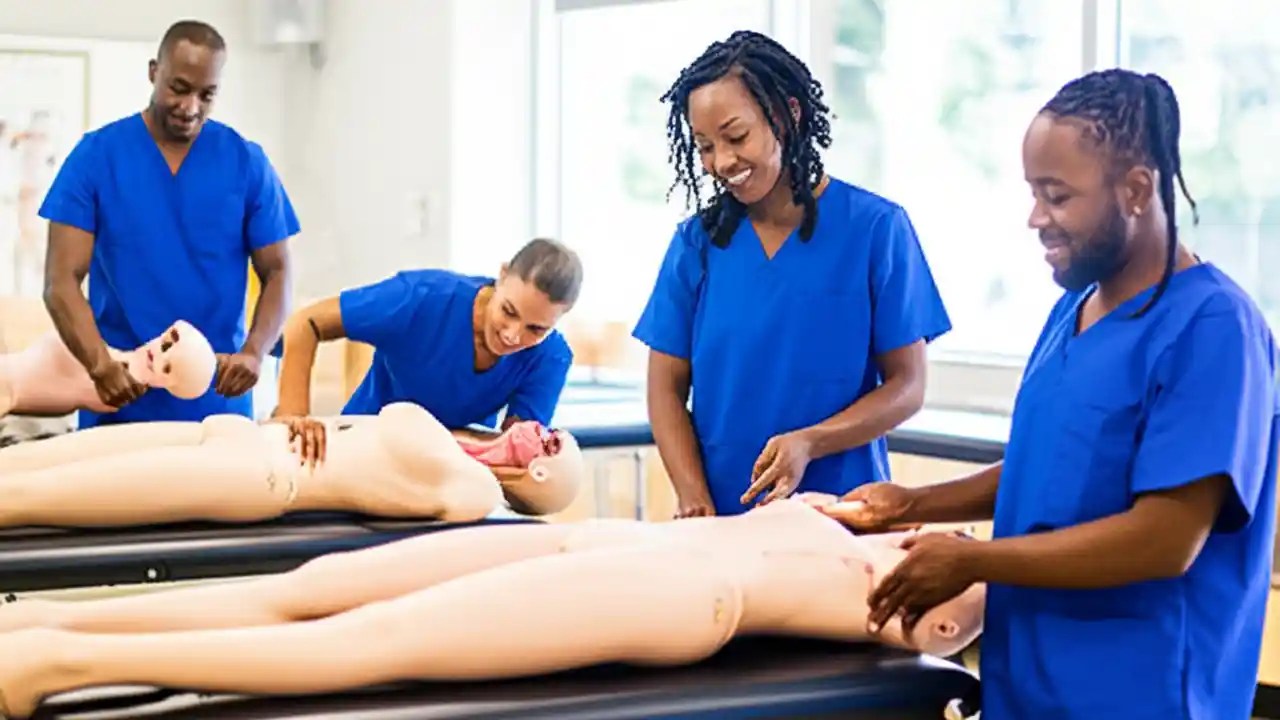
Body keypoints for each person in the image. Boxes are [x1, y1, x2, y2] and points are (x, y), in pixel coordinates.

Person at [826, 69, 1279, 719]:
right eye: (1034, 193)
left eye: (1057, 195)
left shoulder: (1213, 328)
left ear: (1136, 189)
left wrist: (973, 561)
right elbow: (1055, 469)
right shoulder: (1075, 307)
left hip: (1140, 691)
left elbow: (1165, 537)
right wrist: (909, 504)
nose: (1037, 218)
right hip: (1032, 682)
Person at [0, 497, 986, 718]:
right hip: (613, 536)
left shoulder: (967, 592)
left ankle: (58, 664)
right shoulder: (904, 519)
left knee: (362, 643)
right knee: (304, 589)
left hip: (680, 593)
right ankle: (44, 630)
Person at [633, 31, 952, 518]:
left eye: (736, 137)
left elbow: (907, 386)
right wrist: (693, 496)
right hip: (720, 520)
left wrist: (811, 442)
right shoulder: (696, 244)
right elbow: (665, 388)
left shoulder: (876, 229)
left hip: (841, 515)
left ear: (787, 114)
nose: (721, 162)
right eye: (704, 146)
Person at [38, 20, 299, 430]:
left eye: (206, 95)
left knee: (217, 494)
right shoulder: (96, 157)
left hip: (217, 401)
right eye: (179, 88)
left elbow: (279, 270)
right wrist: (99, 365)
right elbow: (61, 281)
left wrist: (255, 351)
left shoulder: (246, 162)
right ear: (153, 72)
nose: (191, 106)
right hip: (119, 394)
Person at [0, 401, 585, 528]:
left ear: (538, 475)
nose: (540, 429)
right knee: (27, 462)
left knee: (23, 500)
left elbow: (402, 425)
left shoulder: (474, 489)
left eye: (549, 443)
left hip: (263, 479)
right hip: (244, 436)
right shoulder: (463, 446)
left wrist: (483, 453)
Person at [271, 238, 581, 461]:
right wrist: (292, 414)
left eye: (536, 329)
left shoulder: (550, 358)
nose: (513, 336)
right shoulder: (420, 299)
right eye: (509, 311)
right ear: (501, 276)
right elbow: (307, 322)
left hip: (451, 474)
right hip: (362, 452)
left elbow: (514, 452)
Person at [0, 320, 216, 418]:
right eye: (168, 342)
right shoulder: (110, 361)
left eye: (168, 367)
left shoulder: (115, 386)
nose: (159, 354)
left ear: (170, 386)